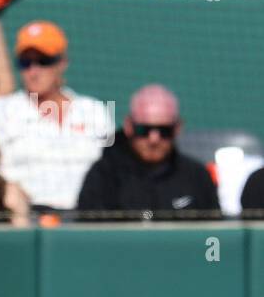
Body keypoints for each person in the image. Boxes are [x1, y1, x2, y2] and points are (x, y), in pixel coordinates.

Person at [0, 20, 114, 211]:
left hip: (85, 215)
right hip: (25, 215)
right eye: (25, 63)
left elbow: (109, 169)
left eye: (44, 61)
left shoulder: (93, 111)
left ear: (62, 63)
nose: (33, 71)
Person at [75, 85, 218, 219]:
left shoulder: (196, 177)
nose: (153, 139)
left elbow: (215, 236)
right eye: (144, 130)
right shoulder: (103, 176)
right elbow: (90, 238)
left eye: (164, 131)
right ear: (129, 126)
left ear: (177, 128)